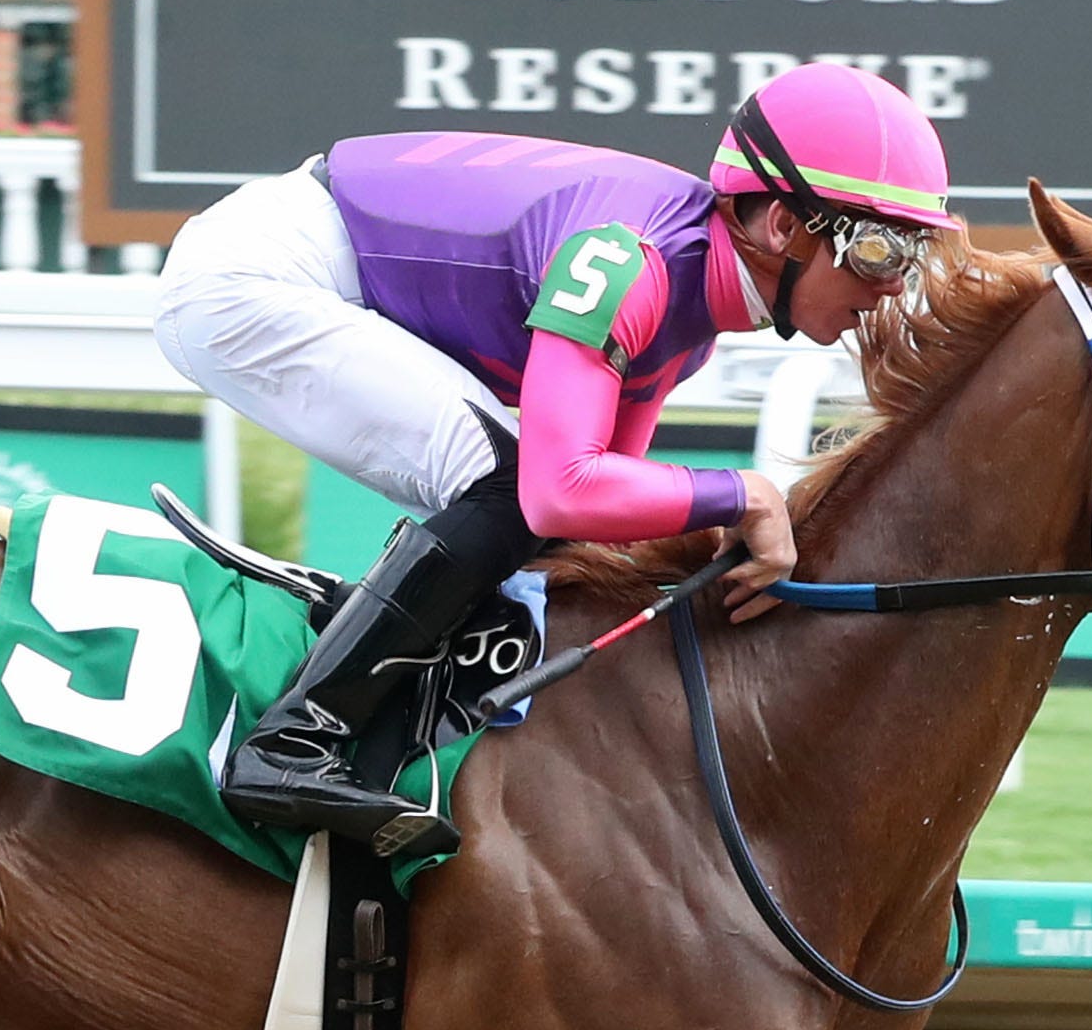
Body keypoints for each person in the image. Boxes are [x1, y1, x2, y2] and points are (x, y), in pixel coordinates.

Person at [150, 63, 959, 859]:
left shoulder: (690, 323)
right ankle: (291, 744)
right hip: (255, 274)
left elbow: (598, 518)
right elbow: (559, 490)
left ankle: (392, 719)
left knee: (527, 521)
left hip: (305, 268)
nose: (891, 287)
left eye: (910, 257)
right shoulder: (634, 263)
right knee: (506, 484)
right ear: (782, 226)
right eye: (881, 249)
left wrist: (699, 525)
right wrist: (740, 494)